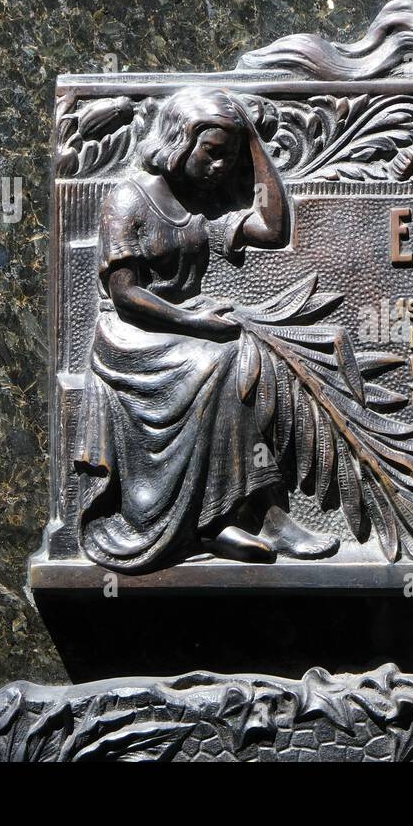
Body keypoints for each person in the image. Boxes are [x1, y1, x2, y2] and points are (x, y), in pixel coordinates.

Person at [73, 87, 338, 570]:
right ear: (179, 142)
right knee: (219, 361)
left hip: (182, 328)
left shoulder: (201, 208)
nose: (220, 168)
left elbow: (273, 229)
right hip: (131, 334)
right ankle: (215, 524)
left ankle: (267, 512)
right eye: (212, 153)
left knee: (254, 356)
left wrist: (254, 145)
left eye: (228, 158)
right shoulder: (127, 200)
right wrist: (192, 321)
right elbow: (125, 295)